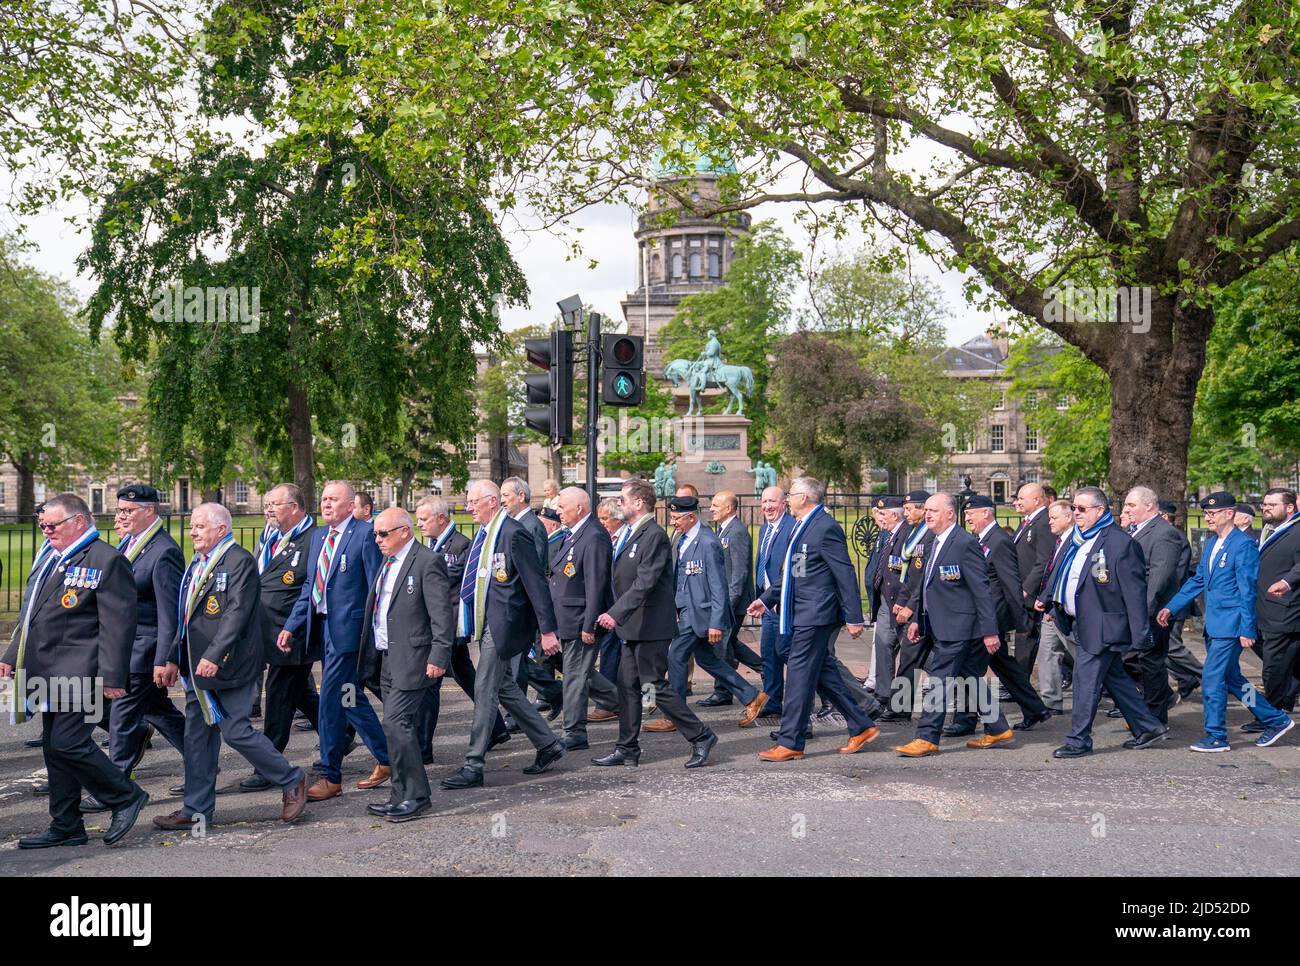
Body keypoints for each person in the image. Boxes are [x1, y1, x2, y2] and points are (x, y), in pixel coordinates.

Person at [1, 493, 150, 848]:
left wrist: (113, 678)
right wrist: (11, 653)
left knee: (68, 743)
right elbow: (30, 615)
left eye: (53, 525)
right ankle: (66, 824)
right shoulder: (53, 557)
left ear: (79, 521)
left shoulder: (106, 560)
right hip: (46, 669)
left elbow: (118, 625)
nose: (46, 530)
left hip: (82, 670)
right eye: (43, 526)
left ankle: (125, 796)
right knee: (54, 748)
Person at [154, 503, 307, 829]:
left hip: (230, 665)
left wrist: (215, 655)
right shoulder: (198, 562)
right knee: (197, 738)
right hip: (196, 668)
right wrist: (170, 658)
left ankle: (291, 778)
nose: (192, 532)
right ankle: (196, 810)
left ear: (221, 529)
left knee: (236, 731)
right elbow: (184, 620)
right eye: (192, 526)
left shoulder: (239, 561)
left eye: (199, 526)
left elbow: (236, 614)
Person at [440, 480, 565, 789]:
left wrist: (548, 631)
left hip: (504, 625)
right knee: (505, 688)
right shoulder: (485, 534)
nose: (468, 507)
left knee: (484, 689)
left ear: (492, 502)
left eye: (473, 501)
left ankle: (473, 764)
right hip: (486, 622)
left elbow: (536, 583)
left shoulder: (512, 533)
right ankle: (548, 744)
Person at [749, 476, 878, 761]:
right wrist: (766, 599)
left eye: (791, 493)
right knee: (821, 671)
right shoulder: (802, 526)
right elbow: (792, 573)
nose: (788, 497)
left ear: (804, 498)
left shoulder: (825, 528)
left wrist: (854, 617)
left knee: (797, 673)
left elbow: (845, 573)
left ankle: (791, 740)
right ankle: (861, 725)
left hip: (816, 615)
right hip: (800, 612)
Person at [593, 479, 718, 768]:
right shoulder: (630, 532)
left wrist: (615, 612)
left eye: (623, 499)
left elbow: (645, 582)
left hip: (650, 626)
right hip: (632, 626)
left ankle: (701, 735)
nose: (619, 503)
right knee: (627, 686)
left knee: (653, 685)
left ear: (639, 502)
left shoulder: (655, 535)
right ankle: (627, 748)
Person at [1159, 491, 1295, 751]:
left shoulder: (1242, 545)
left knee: (1212, 679)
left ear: (1229, 513)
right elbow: (1198, 580)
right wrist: (1171, 607)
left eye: (1212, 513)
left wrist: (1246, 628)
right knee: (1233, 679)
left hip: (1231, 625)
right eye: (1207, 514)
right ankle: (1275, 719)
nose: (1208, 518)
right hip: (1215, 624)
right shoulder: (1211, 543)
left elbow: (1248, 589)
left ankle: (1217, 735)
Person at [281, 481, 390, 801]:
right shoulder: (318, 537)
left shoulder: (363, 536)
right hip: (324, 630)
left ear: (349, 505)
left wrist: (376, 635)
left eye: (334, 500)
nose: (326, 505)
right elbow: (310, 588)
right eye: (324, 499)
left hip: (350, 634)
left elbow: (376, 588)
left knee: (330, 701)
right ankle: (387, 758)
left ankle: (330, 774)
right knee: (349, 697)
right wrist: (291, 625)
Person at [1036, 487, 1165, 758]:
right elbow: (1063, 571)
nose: (1076, 513)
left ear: (1100, 511)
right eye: (1074, 508)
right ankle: (1148, 726)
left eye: (1082, 509)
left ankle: (1078, 739)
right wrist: (1049, 598)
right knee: (1115, 678)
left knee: (1086, 682)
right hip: (1079, 621)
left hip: (1104, 626)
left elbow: (1134, 593)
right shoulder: (1079, 538)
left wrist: (1141, 634)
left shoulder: (1119, 543)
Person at [894, 494, 1014, 756]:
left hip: (960, 627)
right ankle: (997, 727)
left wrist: (990, 631)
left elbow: (981, 590)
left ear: (950, 514)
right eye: (925, 510)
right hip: (942, 624)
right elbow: (927, 587)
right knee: (971, 677)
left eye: (933, 511)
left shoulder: (964, 543)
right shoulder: (935, 542)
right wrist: (918, 620)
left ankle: (927, 737)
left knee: (939, 680)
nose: (927, 515)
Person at [356, 508, 452, 821]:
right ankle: (399, 794)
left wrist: (439, 655)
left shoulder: (426, 561)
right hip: (387, 657)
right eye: (376, 534)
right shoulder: (389, 562)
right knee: (394, 727)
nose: (378, 539)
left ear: (404, 532)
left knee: (398, 723)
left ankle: (417, 795)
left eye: (384, 534)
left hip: (414, 657)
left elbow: (441, 613)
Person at [99, 484, 186, 803]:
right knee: (161, 713)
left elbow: (170, 612)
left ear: (149, 510)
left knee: (122, 718)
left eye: (127, 511)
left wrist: (166, 657)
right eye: (119, 510)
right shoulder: (131, 543)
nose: (121, 516)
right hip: (126, 647)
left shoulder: (164, 551)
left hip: (145, 649)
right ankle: (202, 762)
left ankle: (116, 790)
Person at [946, 495, 1052, 735]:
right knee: (1005, 666)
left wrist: (1020, 620)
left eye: (971, 513)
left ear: (986, 513)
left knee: (969, 667)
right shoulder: (980, 538)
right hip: (984, 617)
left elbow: (1010, 584)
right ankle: (1035, 709)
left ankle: (966, 719)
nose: (967, 518)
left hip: (992, 618)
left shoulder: (999, 541)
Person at [413, 497, 509, 761]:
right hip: (439, 623)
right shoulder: (434, 544)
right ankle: (498, 728)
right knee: (466, 677)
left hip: (450, 625)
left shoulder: (460, 544)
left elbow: (448, 579)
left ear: (441, 519)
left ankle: (423, 748)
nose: (419, 524)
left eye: (424, 519)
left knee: (433, 683)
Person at [241, 483, 319, 791]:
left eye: (275, 504)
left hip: (290, 632)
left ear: (295, 508)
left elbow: (308, 589)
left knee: (277, 697)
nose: (268, 509)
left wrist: (292, 625)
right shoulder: (269, 534)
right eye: (267, 503)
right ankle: (342, 735)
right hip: (266, 628)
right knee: (300, 694)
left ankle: (268, 765)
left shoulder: (313, 539)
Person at [663, 495, 767, 728]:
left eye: (676, 517)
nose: (672, 522)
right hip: (687, 609)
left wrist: (716, 622)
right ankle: (752, 695)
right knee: (708, 660)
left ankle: (677, 715)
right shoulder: (684, 539)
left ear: (690, 517)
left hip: (700, 613)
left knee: (676, 656)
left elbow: (719, 584)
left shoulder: (708, 542)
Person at [549, 486, 620, 751]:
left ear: (579, 508)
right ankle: (625, 705)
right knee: (582, 674)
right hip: (568, 617)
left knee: (575, 677)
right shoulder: (575, 534)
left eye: (562, 507)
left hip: (580, 620)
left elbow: (596, 585)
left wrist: (589, 624)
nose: (558, 512)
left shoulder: (593, 536)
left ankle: (574, 731)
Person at [1123, 486, 1184, 727]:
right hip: (1133, 608)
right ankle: (1159, 701)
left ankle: (1155, 719)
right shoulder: (1137, 530)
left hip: (1152, 611)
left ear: (1148, 506)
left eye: (1131, 505)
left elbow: (1159, 577)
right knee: (1130, 659)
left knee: (1151, 662)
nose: (1126, 510)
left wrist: (1144, 611)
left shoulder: (1164, 533)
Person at [701, 490, 762, 706]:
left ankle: (723, 692)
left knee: (721, 647)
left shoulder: (736, 532)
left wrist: (729, 603)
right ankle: (765, 669)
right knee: (730, 645)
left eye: (716, 505)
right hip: (727, 602)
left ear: (729, 508)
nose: (711, 509)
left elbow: (739, 572)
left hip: (732, 603)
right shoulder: (723, 530)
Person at [1252, 488, 1300, 720]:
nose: (1265, 508)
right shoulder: (1270, 531)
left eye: (1272, 504)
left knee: (1273, 667)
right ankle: (1282, 705)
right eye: (1264, 504)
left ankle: (1270, 717)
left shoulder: (1297, 532)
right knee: (1285, 665)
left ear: (1289, 508)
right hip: (1264, 609)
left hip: (1284, 611)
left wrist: (1286, 582)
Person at [754, 486, 797, 719]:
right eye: (764, 502)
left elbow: (791, 571)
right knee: (768, 654)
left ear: (784, 504)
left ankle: (798, 704)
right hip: (767, 604)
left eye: (772, 501)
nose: (767, 506)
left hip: (784, 603)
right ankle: (772, 701)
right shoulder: (764, 529)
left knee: (788, 654)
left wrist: (777, 597)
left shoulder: (791, 528)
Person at [868, 496, 911, 721]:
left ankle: (958, 686)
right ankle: (884, 697)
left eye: (882, 514)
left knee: (914, 656)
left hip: (900, 603)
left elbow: (911, 575)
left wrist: (904, 602)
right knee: (883, 646)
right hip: (886, 600)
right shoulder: (888, 534)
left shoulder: (907, 535)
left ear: (895, 515)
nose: (879, 518)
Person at [1035, 499, 1078, 714]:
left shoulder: (1075, 541)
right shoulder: (1060, 540)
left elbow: (1065, 575)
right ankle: (1051, 701)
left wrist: (1048, 599)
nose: (1049, 522)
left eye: (1054, 518)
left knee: (1081, 655)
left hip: (1062, 608)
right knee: (1047, 652)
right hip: (1050, 607)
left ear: (1068, 517)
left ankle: (1108, 692)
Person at [1011, 483, 1054, 677]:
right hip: (1023, 592)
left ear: (1036, 500)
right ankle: (1019, 683)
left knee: (1031, 639)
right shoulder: (1028, 521)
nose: (1017, 502)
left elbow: (1044, 560)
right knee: (1024, 638)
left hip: (1034, 594)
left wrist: (1027, 589)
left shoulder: (1043, 521)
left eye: (1021, 498)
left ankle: (1020, 684)